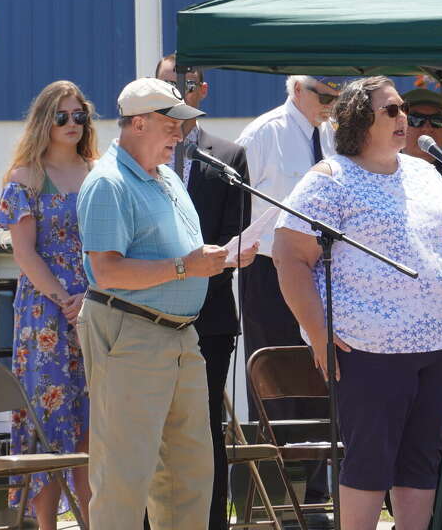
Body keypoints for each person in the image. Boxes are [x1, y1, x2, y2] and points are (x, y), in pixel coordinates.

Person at [271, 76, 442, 530]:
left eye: (403, 110)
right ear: (361, 120)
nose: (405, 120)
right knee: (371, 458)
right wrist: (318, 334)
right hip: (368, 348)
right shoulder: (330, 178)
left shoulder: (423, 173)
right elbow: (289, 258)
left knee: (421, 457)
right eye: (393, 111)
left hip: (441, 342)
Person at [76, 77, 256, 529]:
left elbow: (183, 255)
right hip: (130, 331)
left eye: (183, 124)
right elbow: (108, 272)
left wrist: (221, 259)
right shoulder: (108, 183)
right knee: (123, 477)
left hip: (181, 336)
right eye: (170, 124)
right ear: (137, 124)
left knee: (189, 477)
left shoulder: (170, 177)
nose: (180, 134)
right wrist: (185, 268)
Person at [235, 74, 347, 522]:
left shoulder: (335, 137)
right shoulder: (263, 134)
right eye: (323, 96)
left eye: (336, 98)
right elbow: (237, 202)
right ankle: (280, 498)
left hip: (323, 269)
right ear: (296, 89)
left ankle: (320, 493)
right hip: (268, 268)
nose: (330, 105)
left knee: (326, 370)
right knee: (276, 376)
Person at [0, 80, 98, 529]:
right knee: (48, 421)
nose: (72, 123)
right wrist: (65, 300)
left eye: (79, 115)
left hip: (98, 303)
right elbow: (25, 254)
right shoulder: (25, 178)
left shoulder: (101, 173)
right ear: (44, 121)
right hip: (45, 315)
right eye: (61, 116)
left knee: (95, 423)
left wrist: (90, 299)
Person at [155, 55, 252, 530]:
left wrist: (196, 277)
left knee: (203, 427)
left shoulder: (228, 157)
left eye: (184, 84)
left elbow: (238, 238)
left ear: (202, 91)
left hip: (209, 318)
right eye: (166, 84)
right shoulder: (135, 160)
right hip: (147, 314)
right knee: (153, 426)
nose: (175, 92)